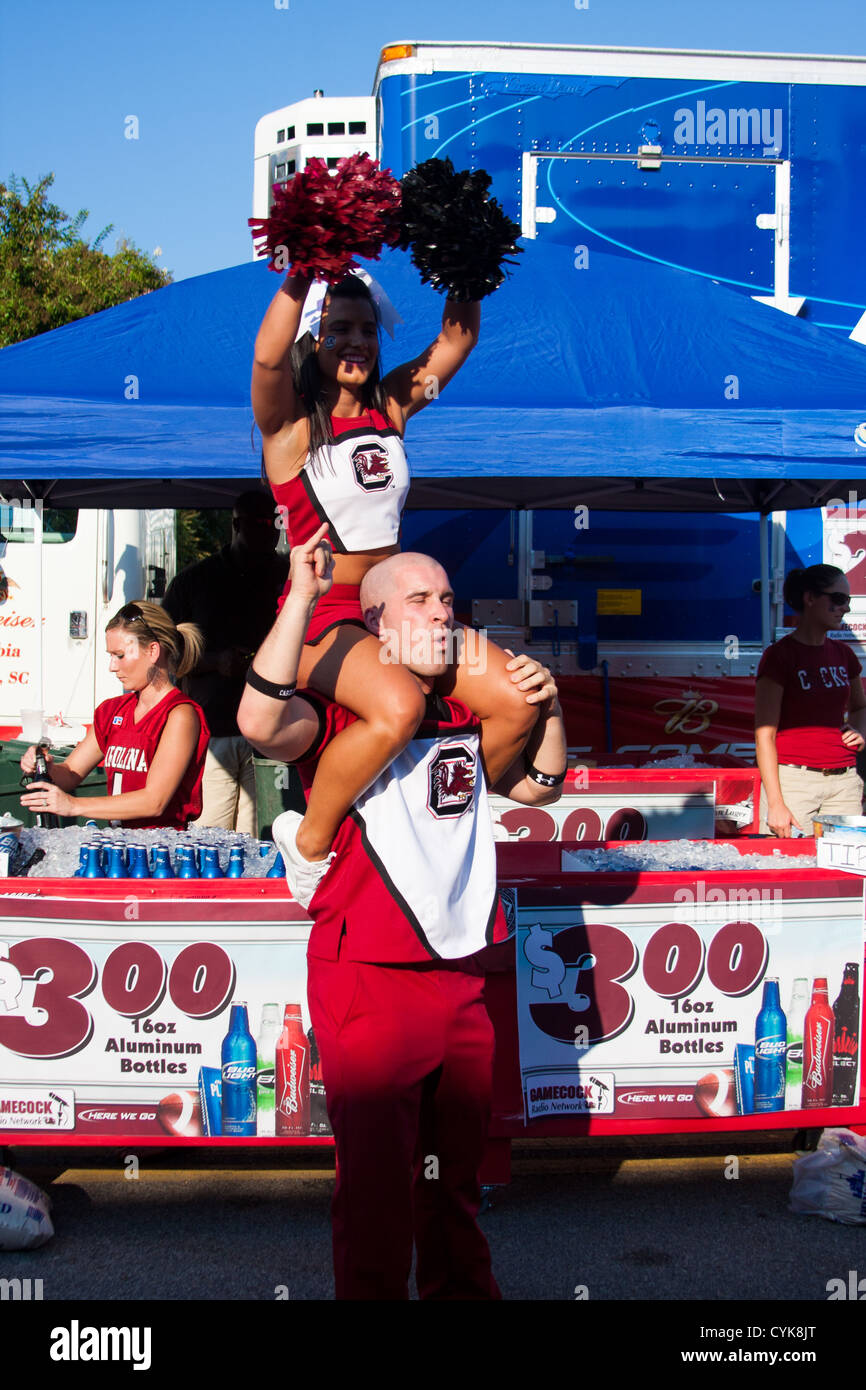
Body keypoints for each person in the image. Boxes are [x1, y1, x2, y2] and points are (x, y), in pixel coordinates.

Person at [238, 527, 568, 1300]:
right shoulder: (337, 722)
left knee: (455, 1186)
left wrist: (548, 706)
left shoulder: (464, 714)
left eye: (449, 599)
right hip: (370, 976)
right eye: (418, 599)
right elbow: (258, 724)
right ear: (377, 625)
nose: (439, 611)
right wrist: (303, 596)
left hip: (461, 977)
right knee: (377, 1194)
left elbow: (540, 787)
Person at [252, 270, 535, 905]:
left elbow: (455, 343)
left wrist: (469, 260)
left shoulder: (394, 406)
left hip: (397, 605)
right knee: (401, 707)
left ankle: (443, 810)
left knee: (517, 702)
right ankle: (309, 842)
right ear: (312, 341)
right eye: (339, 330)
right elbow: (267, 357)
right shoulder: (288, 430)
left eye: (367, 330)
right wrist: (300, 274)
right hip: (322, 610)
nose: (356, 342)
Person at [162, 490, 289, 835]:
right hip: (212, 728)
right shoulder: (195, 581)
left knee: (262, 837)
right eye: (260, 523)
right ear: (236, 524)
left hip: (273, 733)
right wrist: (216, 661)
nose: (270, 531)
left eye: (276, 523)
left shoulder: (290, 577)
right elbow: (162, 652)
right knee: (210, 836)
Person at [20, 601, 209, 830]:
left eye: (120, 655)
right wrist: (44, 766)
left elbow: (154, 801)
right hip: (119, 848)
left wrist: (73, 805)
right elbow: (70, 773)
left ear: (152, 651)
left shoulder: (180, 714)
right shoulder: (112, 711)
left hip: (161, 854)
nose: (112, 666)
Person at [755, 564, 866, 836]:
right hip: (794, 781)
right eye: (839, 599)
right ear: (810, 598)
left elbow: (861, 706)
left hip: (845, 782)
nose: (846, 609)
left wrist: (860, 731)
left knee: (844, 873)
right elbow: (764, 735)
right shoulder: (780, 656)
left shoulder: (843, 654)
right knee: (785, 870)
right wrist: (777, 803)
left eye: (848, 601)